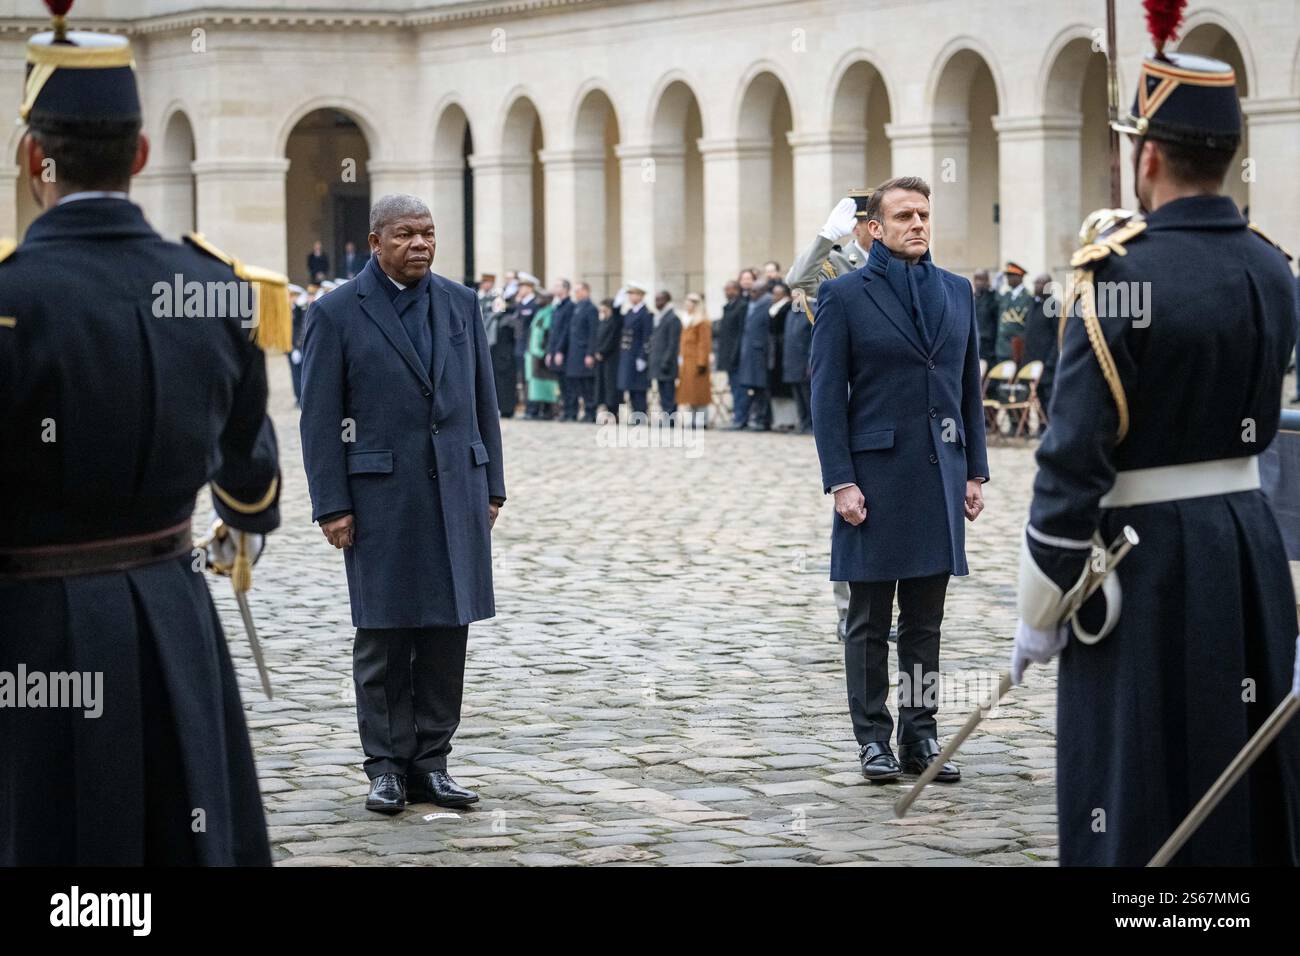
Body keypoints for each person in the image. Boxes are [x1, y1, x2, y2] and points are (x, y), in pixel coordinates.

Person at [0, 10, 285, 864]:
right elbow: (251, 491)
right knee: (178, 831)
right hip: (171, 622)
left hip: (28, 634)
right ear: (141, 155)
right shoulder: (216, 289)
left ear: (31, 158)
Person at [1012, 37, 1300, 865]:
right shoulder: (1273, 269)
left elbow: (1072, 459)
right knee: (1236, 772)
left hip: (1139, 565)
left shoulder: (1114, 276)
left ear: (1147, 158)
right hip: (1248, 549)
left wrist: (1041, 606)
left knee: (1133, 777)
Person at [299, 194, 506, 816]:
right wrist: (332, 505)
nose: (420, 244)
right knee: (385, 633)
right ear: (376, 242)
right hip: (378, 498)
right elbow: (318, 419)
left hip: (456, 492)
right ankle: (386, 765)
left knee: (447, 630)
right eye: (406, 235)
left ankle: (432, 762)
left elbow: (482, 400)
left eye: (428, 233)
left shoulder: (460, 303)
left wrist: (491, 485)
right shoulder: (335, 312)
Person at [810, 176, 989, 784]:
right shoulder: (847, 296)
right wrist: (840, 480)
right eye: (904, 215)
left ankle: (922, 735)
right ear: (875, 229)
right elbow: (827, 397)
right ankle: (872, 739)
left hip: (939, 475)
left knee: (924, 622)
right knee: (866, 621)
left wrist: (977, 471)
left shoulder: (958, 292)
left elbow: (969, 387)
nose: (917, 223)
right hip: (874, 480)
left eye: (923, 213)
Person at [786, 189, 876, 637]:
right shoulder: (838, 263)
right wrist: (825, 238)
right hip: (850, 393)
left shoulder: (903, 260)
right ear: (859, 225)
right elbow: (797, 281)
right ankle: (848, 612)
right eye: (871, 220)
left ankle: (882, 608)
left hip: (889, 393)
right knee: (850, 506)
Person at [732, 279, 774, 430]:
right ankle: (755, 418)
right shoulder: (752, 304)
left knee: (763, 389)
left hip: (761, 353)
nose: (751, 294)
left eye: (755, 291)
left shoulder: (768, 302)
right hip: (750, 352)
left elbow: (770, 332)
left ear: (763, 291)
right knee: (754, 388)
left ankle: (764, 420)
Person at [1021, 271, 1059, 432]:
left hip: (1046, 362)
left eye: (1041, 283)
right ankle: (1034, 426)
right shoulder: (1031, 304)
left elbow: (1058, 336)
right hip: (1030, 359)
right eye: (1036, 283)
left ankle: (1049, 427)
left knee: (1047, 395)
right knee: (1031, 394)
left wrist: (1050, 361)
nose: (1037, 286)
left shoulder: (1054, 306)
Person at [558, 281, 598, 422]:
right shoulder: (577, 307)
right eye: (575, 291)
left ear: (586, 291)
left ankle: (590, 412)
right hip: (574, 352)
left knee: (587, 385)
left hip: (584, 352)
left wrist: (590, 353)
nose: (576, 293)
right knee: (575, 384)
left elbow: (593, 333)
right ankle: (575, 411)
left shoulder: (591, 308)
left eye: (579, 290)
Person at [617, 280, 653, 417]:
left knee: (639, 388)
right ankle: (635, 414)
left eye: (633, 294)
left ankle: (641, 415)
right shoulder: (630, 312)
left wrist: (643, 357)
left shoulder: (646, 313)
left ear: (640, 295)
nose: (631, 297)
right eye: (630, 294)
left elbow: (647, 337)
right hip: (628, 354)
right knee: (630, 387)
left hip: (637, 355)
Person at [676, 292, 713, 429]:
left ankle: (701, 420)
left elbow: (704, 343)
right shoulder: (687, 320)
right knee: (689, 394)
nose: (687, 306)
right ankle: (691, 419)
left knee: (699, 394)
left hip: (697, 361)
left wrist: (702, 362)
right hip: (686, 361)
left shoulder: (702, 322)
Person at [716, 277, 748, 421]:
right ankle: (737, 417)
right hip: (727, 355)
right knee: (734, 389)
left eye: (730, 289)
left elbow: (740, 333)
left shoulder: (741, 306)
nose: (727, 292)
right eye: (726, 290)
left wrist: (735, 354)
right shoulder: (727, 307)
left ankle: (740, 418)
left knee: (739, 389)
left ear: (737, 290)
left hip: (737, 356)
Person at [783, 288, 814, 433]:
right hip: (791, 362)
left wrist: (810, 362)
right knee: (797, 395)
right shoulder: (790, 314)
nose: (796, 298)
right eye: (794, 296)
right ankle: (802, 422)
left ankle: (811, 424)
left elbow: (812, 341)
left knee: (807, 395)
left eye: (799, 295)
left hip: (805, 362)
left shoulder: (810, 313)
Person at [649, 289, 682, 423]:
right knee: (663, 392)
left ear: (667, 300)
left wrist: (666, 361)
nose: (657, 303)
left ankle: (670, 417)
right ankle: (666, 416)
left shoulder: (673, 318)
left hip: (667, 363)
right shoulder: (660, 317)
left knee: (669, 392)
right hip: (658, 362)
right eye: (656, 300)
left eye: (660, 300)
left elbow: (673, 343)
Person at [525, 293, 560, 419]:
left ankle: (548, 410)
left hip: (542, 353)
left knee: (547, 383)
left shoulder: (550, 313)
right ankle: (536, 409)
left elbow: (549, 334)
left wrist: (545, 351)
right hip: (534, 353)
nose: (538, 300)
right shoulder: (540, 313)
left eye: (542, 298)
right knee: (535, 383)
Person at [511, 272, 541, 416]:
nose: (519, 290)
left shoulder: (535, 304)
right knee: (522, 379)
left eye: (522, 287)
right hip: (519, 347)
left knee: (531, 379)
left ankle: (533, 409)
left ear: (530, 288)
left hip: (530, 347)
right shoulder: (519, 305)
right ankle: (526, 407)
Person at [545, 278, 573, 416]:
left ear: (565, 289)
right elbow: (553, 332)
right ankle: (565, 410)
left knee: (568, 383)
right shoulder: (557, 307)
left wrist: (559, 350)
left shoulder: (570, 306)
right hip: (555, 350)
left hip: (565, 352)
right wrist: (550, 351)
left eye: (557, 286)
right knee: (561, 383)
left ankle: (570, 411)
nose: (554, 288)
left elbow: (566, 331)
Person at [994, 261, 1030, 363]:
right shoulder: (1006, 296)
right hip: (1001, 348)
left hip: (1017, 348)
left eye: (1010, 276)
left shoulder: (1027, 297)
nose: (1008, 279)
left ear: (1019, 277)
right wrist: (996, 287)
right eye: (1007, 276)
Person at [593, 297, 622, 421]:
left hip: (611, 359)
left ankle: (613, 413)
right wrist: (596, 351)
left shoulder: (615, 321)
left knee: (611, 388)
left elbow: (612, 339)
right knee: (602, 387)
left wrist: (602, 352)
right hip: (601, 359)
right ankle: (605, 412)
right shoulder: (603, 321)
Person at [972, 268, 998, 362]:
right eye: (976, 279)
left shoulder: (993, 298)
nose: (978, 282)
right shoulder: (972, 298)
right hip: (974, 345)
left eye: (981, 279)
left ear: (987, 281)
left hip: (988, 347)